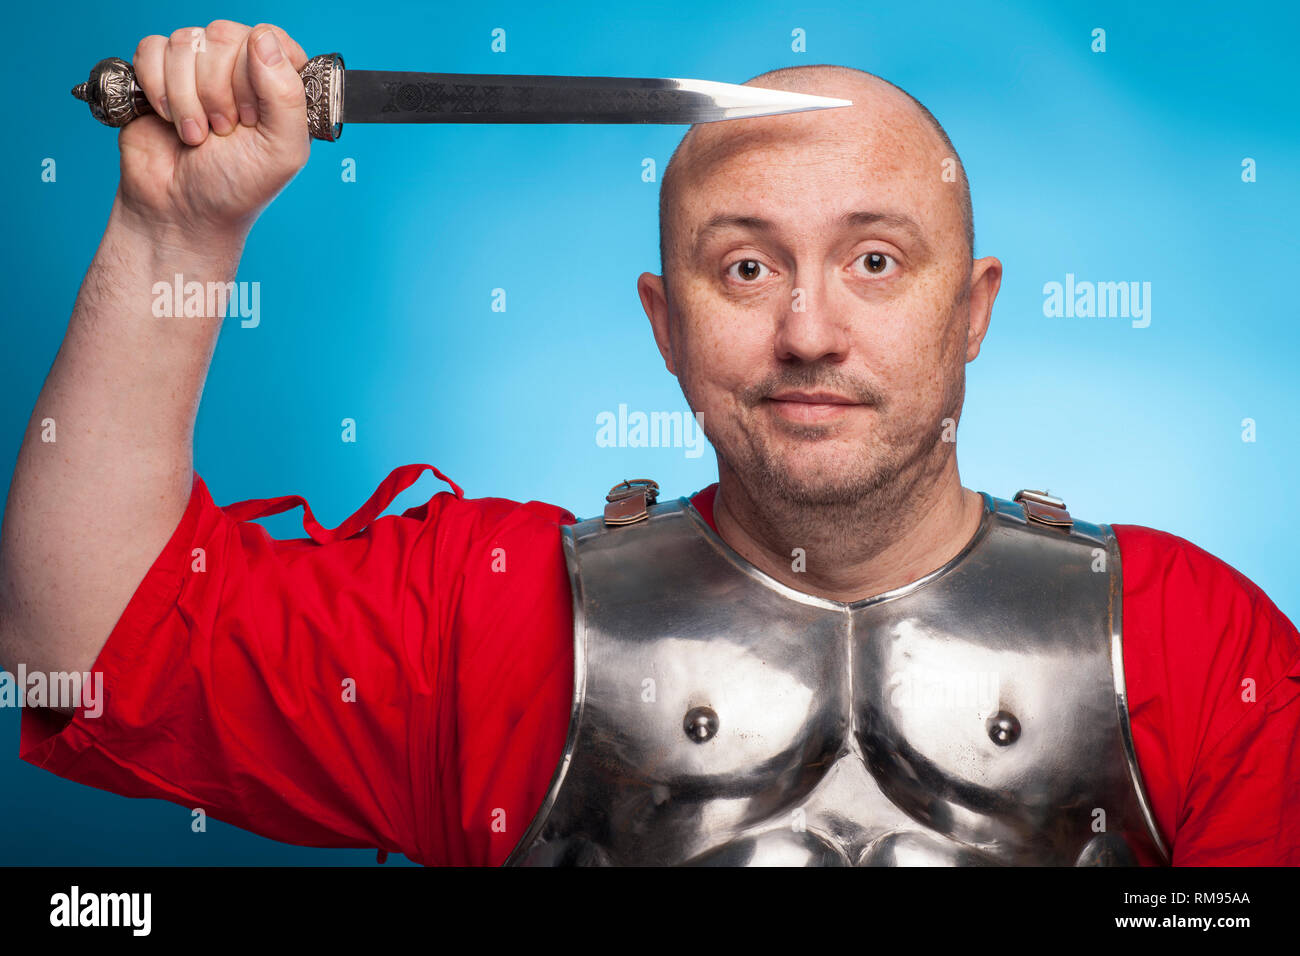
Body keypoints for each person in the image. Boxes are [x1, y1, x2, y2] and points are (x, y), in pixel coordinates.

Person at [2, 20, 1296, 866]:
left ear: (973, 312)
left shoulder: (1190, 641)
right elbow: (84, 648)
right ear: (666, 327)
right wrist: (175, 235)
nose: (808, 329)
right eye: (745, 265)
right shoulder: (490, 620)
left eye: (876, 260)